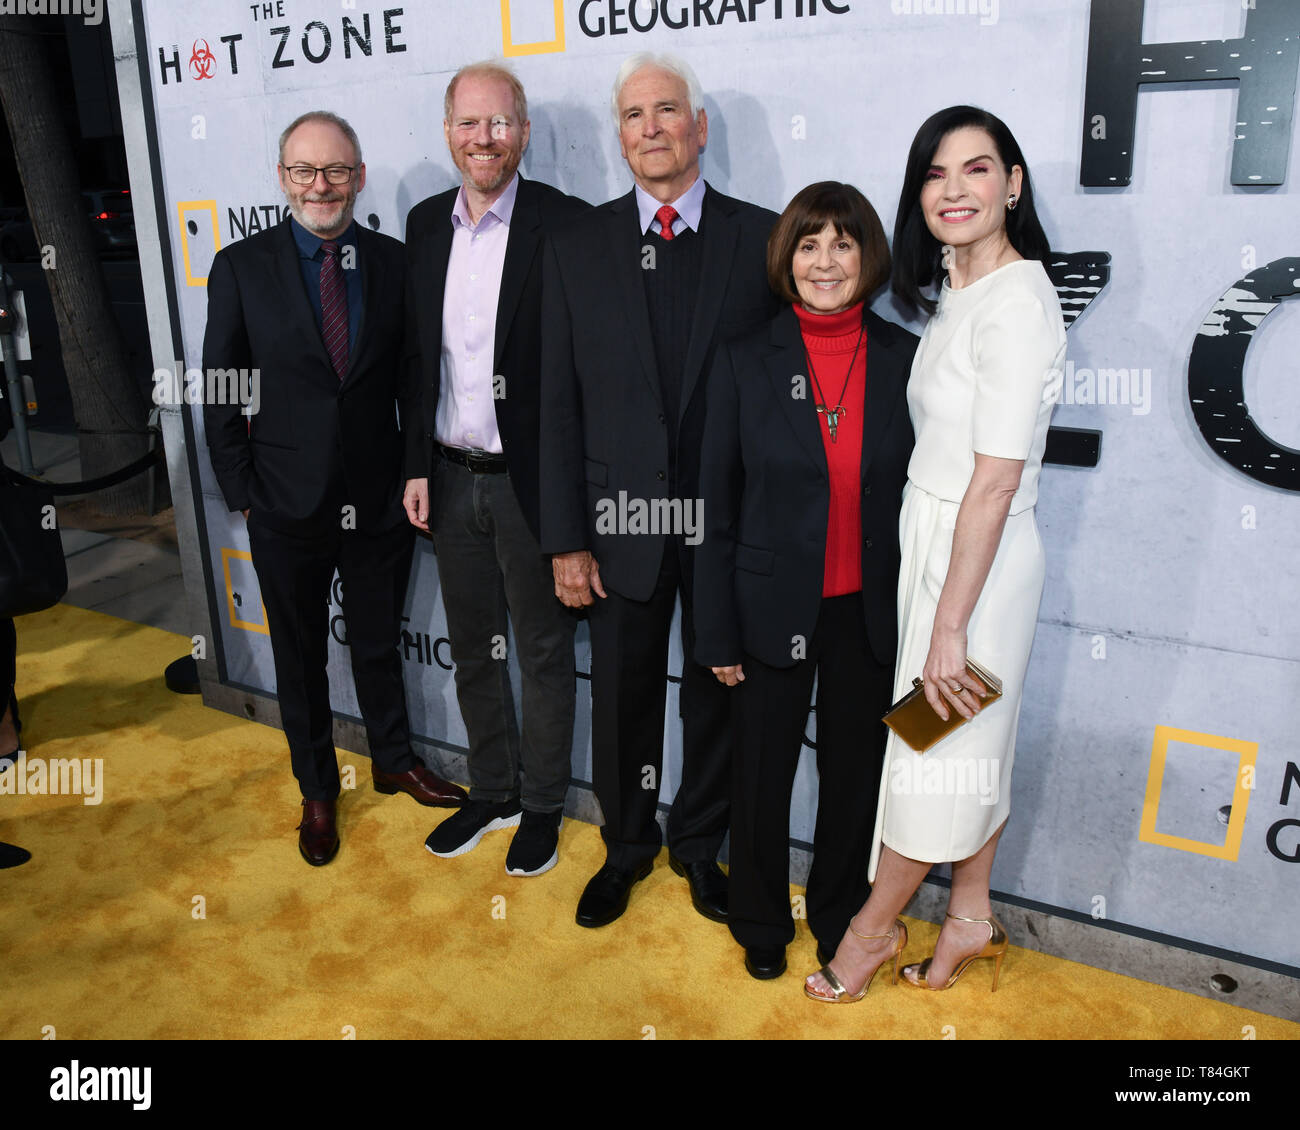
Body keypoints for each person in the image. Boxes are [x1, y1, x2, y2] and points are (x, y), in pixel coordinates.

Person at [804, 106, 1066, 1001]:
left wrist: (951, 623)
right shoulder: (964, 292)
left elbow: (994, 480)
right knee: (972, 751)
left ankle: (870, 934)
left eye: (978, 170)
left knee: (931, 755)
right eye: (935, 174)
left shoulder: (1020, 303)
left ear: (1014, 185)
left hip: (976, 568)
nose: (955, 190)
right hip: (942, 547)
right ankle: (969, 915)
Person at [540, 53, 780, 927]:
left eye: (667, 110)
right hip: (616, 527)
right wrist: (565, 537)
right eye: (634, 115)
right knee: (623, 700)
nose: (651, 128)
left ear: (699, 127)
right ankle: (627, 849)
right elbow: (554, 406)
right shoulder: (575, 248)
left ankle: (700, 848)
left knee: (718, 694)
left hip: (728, 527)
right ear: (620, 136)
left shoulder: (765, 239)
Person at [203, 110, 466, 868]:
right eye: (305, 172)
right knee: (300, 655)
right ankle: (317, 789)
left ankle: (392, 758)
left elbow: (416, 379)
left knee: (379, 642)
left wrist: (415, 467)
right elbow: (222, 385)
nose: (322, 186)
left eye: (337, 171)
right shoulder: (241, 266)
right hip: (283, 502)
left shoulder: (391, 261)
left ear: (357, 173)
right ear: (283, 179)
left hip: (379, 495)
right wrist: (241, 489)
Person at [695, 183, 917, 980]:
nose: (826, 262)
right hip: (765, 607)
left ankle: (836, 915)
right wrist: (714, 630)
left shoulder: (903, 361)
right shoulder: (745, 359)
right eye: (809, 245)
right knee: (761, 772)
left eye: (844, 244)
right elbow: (713, 509)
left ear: (869, 258)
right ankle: (758, 917)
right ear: (787, 259)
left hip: (868, 614)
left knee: (855, 778)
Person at [400, 63, 589, 876]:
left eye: (500, 123)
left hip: (529, 482)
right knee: (474, 647)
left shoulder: (567, 225)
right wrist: (414, 466)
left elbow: (584, 377)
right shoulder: (421, 226)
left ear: (524, 132)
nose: (485, 140)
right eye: (470, 124)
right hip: (446, 474)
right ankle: (494, 789)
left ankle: (543, 805)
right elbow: (418, 362)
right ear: (448, 131)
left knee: (542, 652)